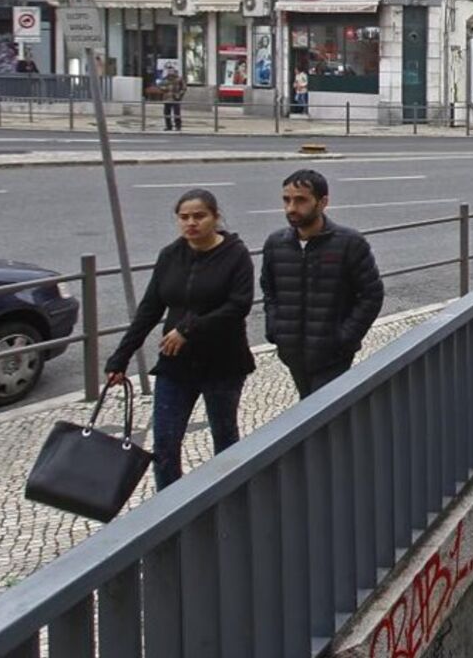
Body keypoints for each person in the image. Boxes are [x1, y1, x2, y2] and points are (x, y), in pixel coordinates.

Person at [104, 189, 254, 490]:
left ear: (215, 217)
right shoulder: (170, 255)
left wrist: (188, 329)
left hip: (222, 363)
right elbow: (149, 309)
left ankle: (229, 496)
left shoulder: (235, 254)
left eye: (199, 216)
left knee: (225, 437)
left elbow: (239, 306)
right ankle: (169, 510)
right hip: (176, 365)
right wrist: (121, 357)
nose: (191, 223)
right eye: (184, 217)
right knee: (165, 444)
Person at [261, 169, 385, 399]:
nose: (291, 208)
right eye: (286, 200)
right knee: (308, 407)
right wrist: (275, 330)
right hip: (293, 352)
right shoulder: (276, 243)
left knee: (324, 418)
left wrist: (344, 338)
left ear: (322, 202)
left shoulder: (349, 243)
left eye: (301, 200)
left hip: (332, 355)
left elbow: (371, 295)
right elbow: (270, 290)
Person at [161, 66, 186, 131]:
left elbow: (184, 88)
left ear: (174, 71)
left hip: (175, 98)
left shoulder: (179, 79)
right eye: (169, 71)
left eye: (171, 70)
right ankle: (168, 126)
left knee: (177, 113)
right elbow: (161, 86)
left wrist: (180, 95)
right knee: (166, 113)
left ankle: (178, 126)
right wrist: (163, 88)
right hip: (167, 98)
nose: (170, 72)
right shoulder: (165, 79)